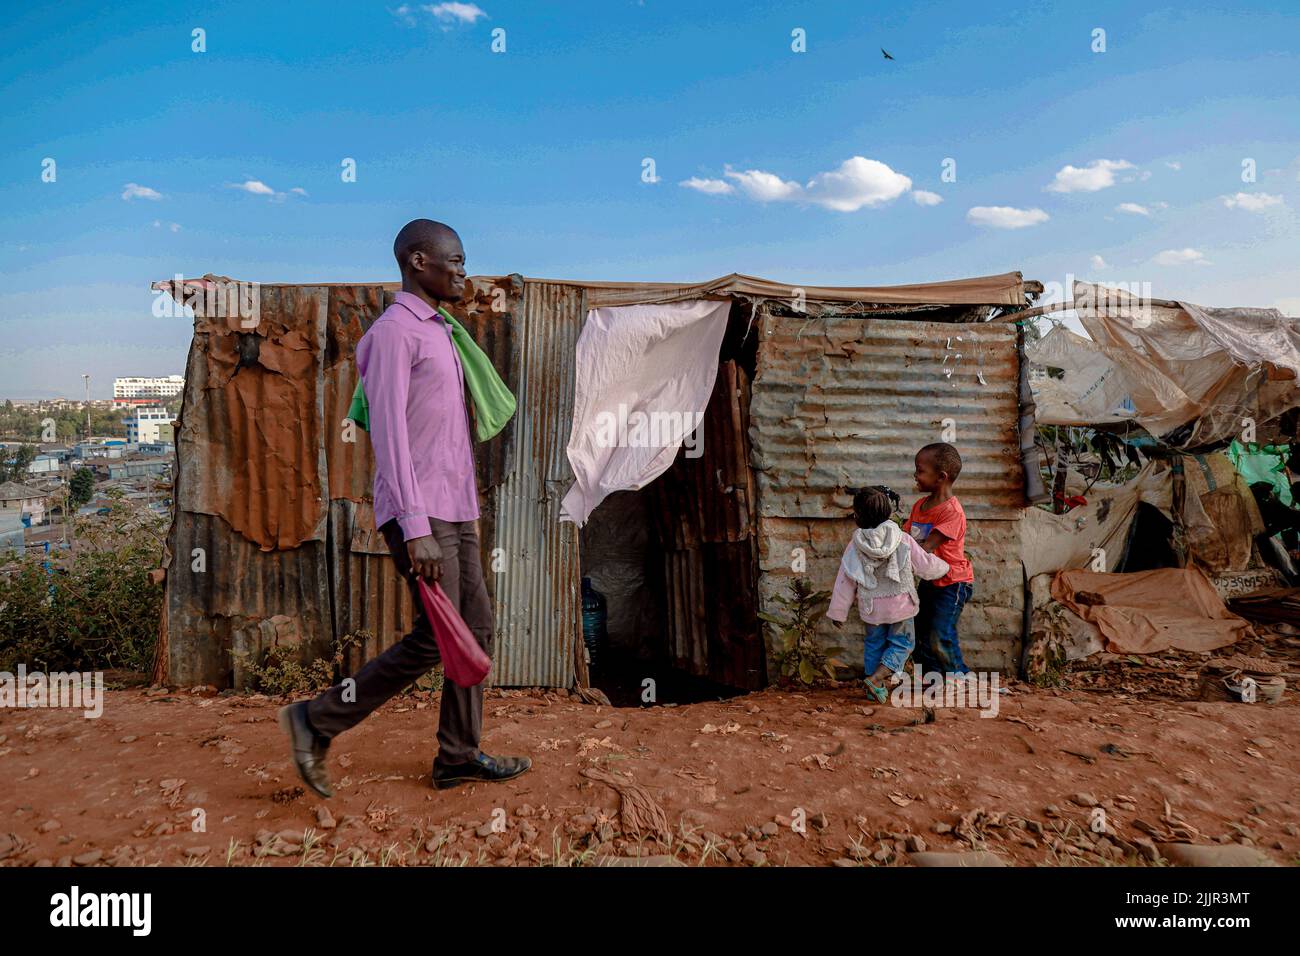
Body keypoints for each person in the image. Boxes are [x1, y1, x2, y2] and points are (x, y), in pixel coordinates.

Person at [278, 219, 530, 798]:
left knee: (474, 629)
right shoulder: (396, 333)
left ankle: (458, 756)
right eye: (456, 261)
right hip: (421, 513)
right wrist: (416, 528)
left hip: (453, 509)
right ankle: (315, 720)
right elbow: (388, 434)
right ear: (419, 261)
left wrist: (460, 516)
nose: (464, 271)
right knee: (440, 636)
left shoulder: (441, 331)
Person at [827, 486, 950, 702]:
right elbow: (924, 564)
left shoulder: (854, 545)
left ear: (857, 516)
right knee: (903, 644)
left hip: (871, 607)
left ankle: (873, 689)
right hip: (900, 605)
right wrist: (945, 568)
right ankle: (877, 679)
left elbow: (845, 580)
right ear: (888, 513)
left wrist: (838, 611)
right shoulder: (902, 539)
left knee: (875, 643)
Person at [904, 442, 975, 680]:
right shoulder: (919, 506)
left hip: (952, 584)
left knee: (939, 633)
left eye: (920, 470)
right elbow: (905, 539)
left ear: (941, 477)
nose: (915, 474)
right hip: (929, 581)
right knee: (920, 631)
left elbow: (924, 549)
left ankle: (958, 677)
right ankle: (932, 679)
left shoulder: (951, 512)